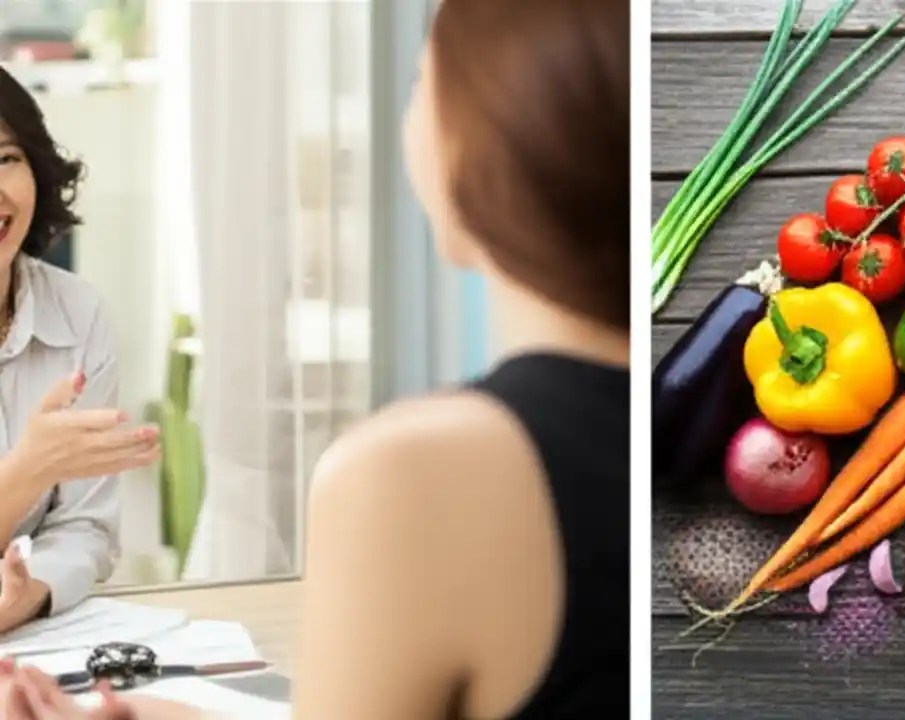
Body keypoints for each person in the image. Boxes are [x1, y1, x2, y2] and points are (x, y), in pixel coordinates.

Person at [0, 0, 629, 716]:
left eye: (421, 86)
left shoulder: (412, 476)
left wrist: (35, 583)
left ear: (472, 154)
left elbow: (85, 530)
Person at [0, 67, 160, 633]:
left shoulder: (77, 310)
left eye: (6, 159)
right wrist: (26, 472)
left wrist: (32, 593)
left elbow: (86, 524)